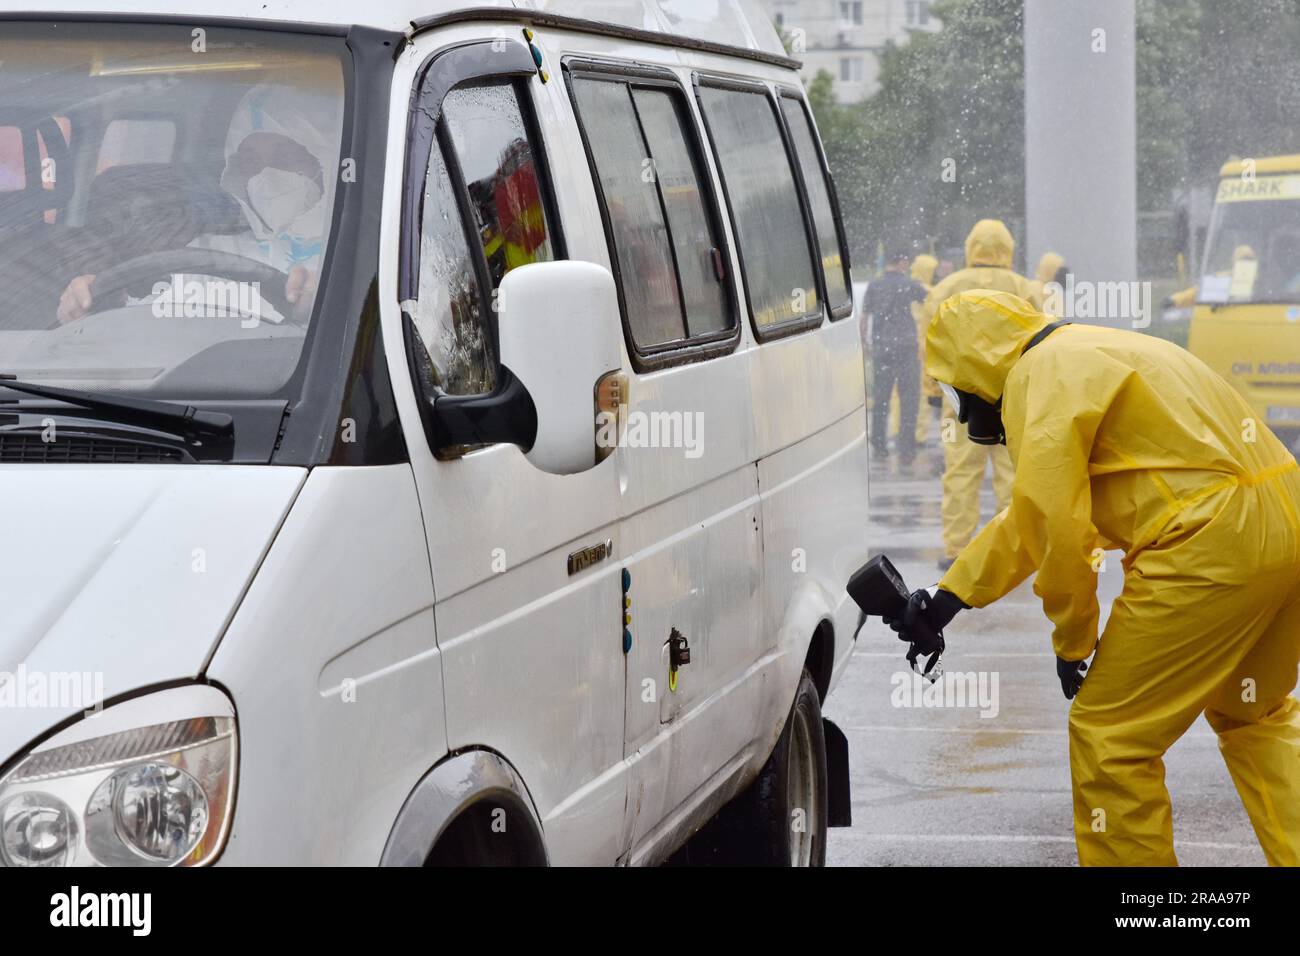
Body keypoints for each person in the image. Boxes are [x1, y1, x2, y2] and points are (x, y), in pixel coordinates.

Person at [891, 288, 1300, 867]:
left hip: (1210, 544)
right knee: (1254, 713)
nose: (962, 413)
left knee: (1111, 737)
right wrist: (952, 593)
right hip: (1284, 519)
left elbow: (1059, 530)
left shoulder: (1039, 380)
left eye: (958, 393)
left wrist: (1075, 642)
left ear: (979, 373)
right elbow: (1040, 512)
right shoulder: (1092, 349)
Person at [56, 84, 338, 325]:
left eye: (284, 155)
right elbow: (142, 324)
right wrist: (87, 305)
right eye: (252, 159)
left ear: (325, 160)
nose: (266, 173)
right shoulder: (213, 253)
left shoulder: (357, 262)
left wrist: (315, 310)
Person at [923, 220, 1042, 569]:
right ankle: (1014, 549)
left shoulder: (946, 288)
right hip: (1012, 397)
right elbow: (1045, 341)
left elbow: (929, 342)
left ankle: (957, 551)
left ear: (970, 246)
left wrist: (932, 388)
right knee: (1014, 474)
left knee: (960, 473)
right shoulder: (1026, 288)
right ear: (1008, 248)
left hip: (963, 398)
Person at [864, 249, 926, 465]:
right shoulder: (909, 284)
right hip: (907, 349)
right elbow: (931, 301)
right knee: (909, 399)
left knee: (881, 400)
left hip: (883, 349)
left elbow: (864, 317)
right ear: (902, 262)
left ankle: (879, 444)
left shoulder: (874, 285)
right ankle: (906, 445)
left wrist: (866, 344)